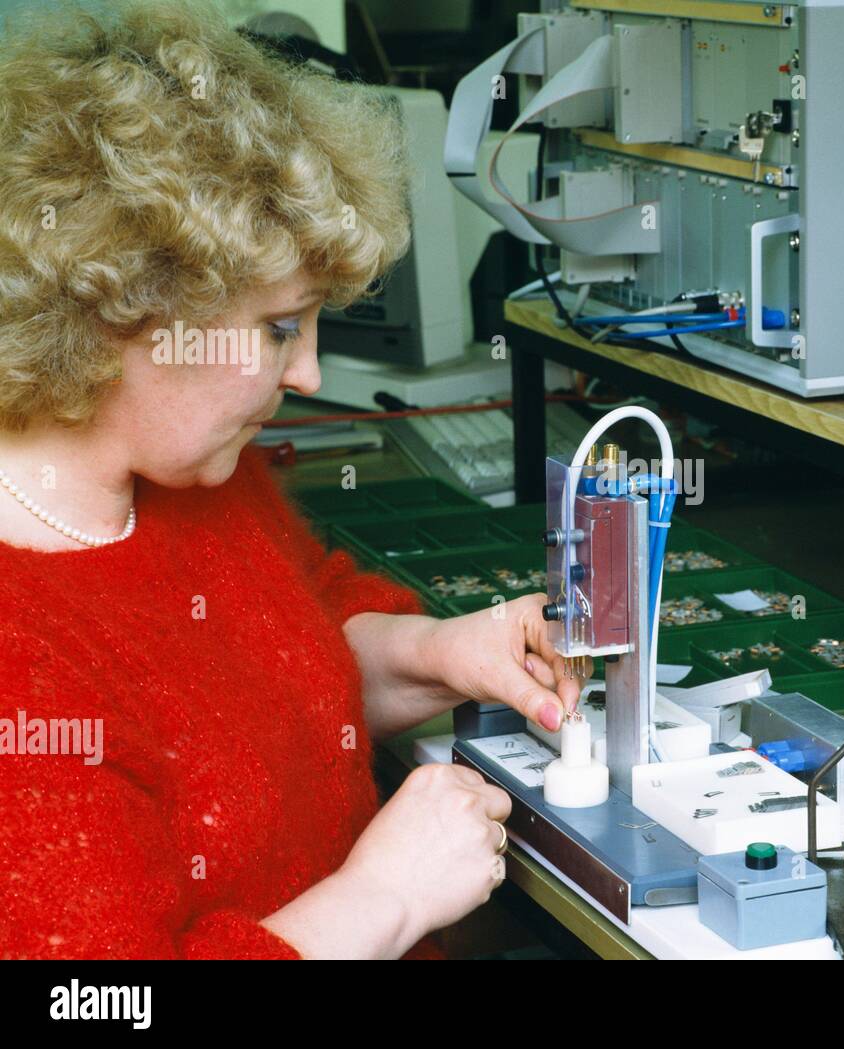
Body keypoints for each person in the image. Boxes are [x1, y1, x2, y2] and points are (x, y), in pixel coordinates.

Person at [0, 0, 578, 959]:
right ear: (124, 308)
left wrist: (439, 653)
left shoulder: (198, 480)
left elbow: (279, 663)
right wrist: (383, 899)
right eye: (279, 328)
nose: (307, 372)